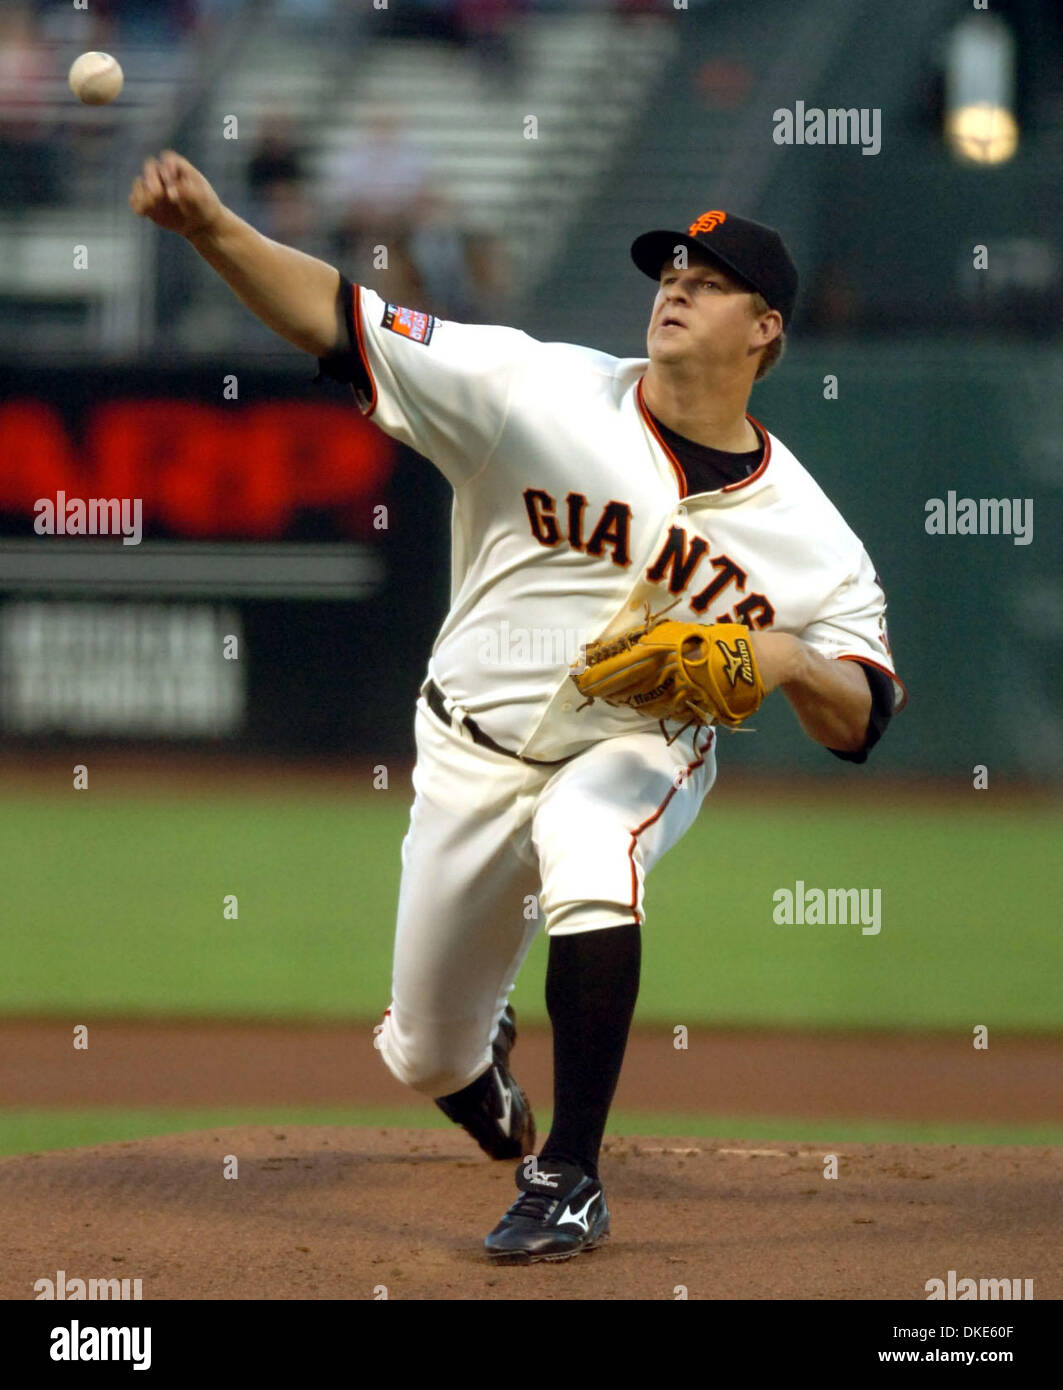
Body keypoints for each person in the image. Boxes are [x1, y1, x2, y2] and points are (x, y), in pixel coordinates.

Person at [130, 153, 904, 1264]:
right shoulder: (531, 389)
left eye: (709, 281)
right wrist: (210, 225)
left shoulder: (813, 540)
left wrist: (783, 656)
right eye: (670, 272)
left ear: (765, 329)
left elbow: (860, 718)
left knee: (592, 841)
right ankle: (479, 1068)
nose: (676, 288)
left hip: (636, 745)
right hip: (468, 747)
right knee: (423, 1055)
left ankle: (571, 1176)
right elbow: (337, 318)